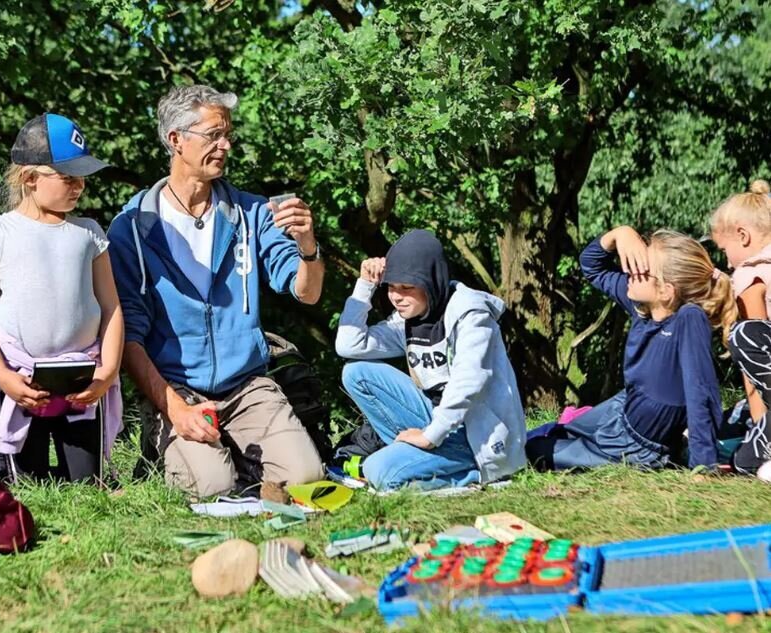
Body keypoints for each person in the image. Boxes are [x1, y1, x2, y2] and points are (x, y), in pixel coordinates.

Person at [107, 84, 324, 497]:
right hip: (178, 390)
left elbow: (306, 292)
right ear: (176, 140)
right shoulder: (132, 228)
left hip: (247, 386)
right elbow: (129, 337)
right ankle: (168, 449)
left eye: (228, 136)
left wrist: (308, 247)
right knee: (210, 488)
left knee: (306, 480)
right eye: (213, 135)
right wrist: (176, 409)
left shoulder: (252, 213)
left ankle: (235, 455)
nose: (225, 145)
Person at [0, 113, 124, 483]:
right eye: (68, 177)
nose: (79, 185)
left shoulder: (90, 233)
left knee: (87, 483)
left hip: (83, 381)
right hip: (21, 380)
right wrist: (3, 377)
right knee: (26, 482)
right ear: (30, 177)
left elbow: (112, 308)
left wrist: (107, 372)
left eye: (82, 176)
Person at [527, 226, 735, 471]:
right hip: (621, 409)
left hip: (634, 447)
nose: (630, 270)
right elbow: (592, 266)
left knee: (533, 451)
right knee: (543, 435)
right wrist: (620, 234)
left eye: (642, 267)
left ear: (666, 291)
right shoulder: (641, 306)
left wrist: (703, 464)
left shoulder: (689, 319)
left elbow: (700, 390)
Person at [334, 230, 526, 491]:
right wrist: (365, 285)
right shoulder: (409, 317)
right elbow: (349, 345)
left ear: (430, 282)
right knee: (356, 373)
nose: (396, 296)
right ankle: (410, 456)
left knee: (377, 471)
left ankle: (473, 475)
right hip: (436, 419)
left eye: (406, 287)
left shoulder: (471, 315)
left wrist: (430, 437)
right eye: (391, 286)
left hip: (477, 437)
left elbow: (468, 382)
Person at [710, 179, 771, 474]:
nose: (728, 261)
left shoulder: (749, 275)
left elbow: (756, 365)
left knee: (744, 464)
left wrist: (761, 426)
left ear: (743, 236)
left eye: (724, 250)